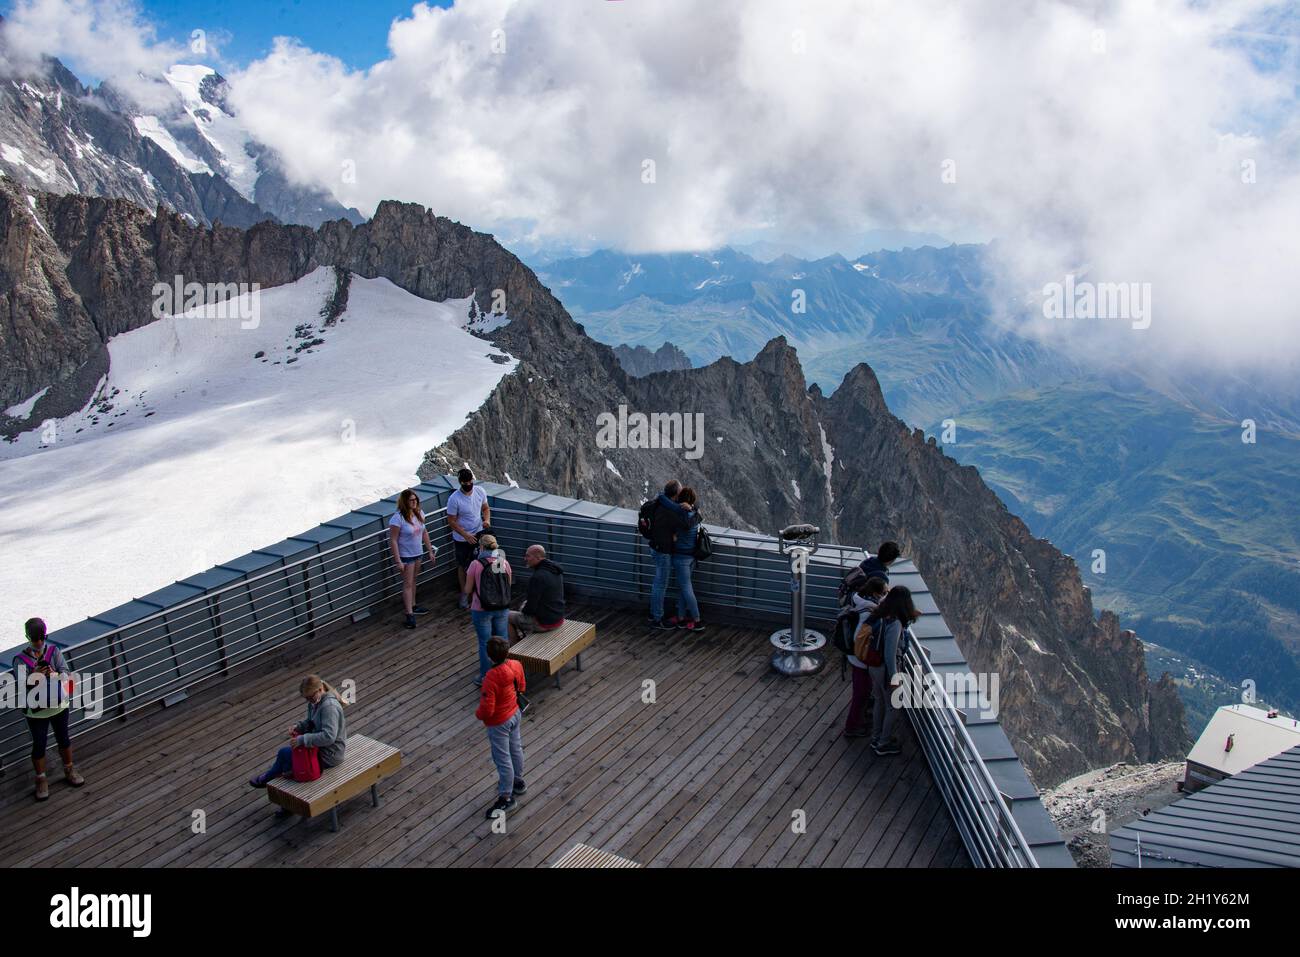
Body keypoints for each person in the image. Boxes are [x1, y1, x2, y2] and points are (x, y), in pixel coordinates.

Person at [13, 618, 84, 801]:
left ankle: (69, 769)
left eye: (40, 638)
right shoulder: (19, 660)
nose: (38, 643)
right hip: (36, 711)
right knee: (39, 744)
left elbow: (66, 673)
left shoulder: (54, 652)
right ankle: (41, 779)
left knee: (64, 739)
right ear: (28, 637)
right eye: (35, 639)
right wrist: (35, 674)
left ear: (44, 636)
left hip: (58, 705)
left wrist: (53, 673)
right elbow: (21, 686)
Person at [249, 675, 347, 799]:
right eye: (306, 698)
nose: (309, 701)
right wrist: (299, 726)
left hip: (330, 755)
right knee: (287, 766)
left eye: (311, 697)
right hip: (321, 749)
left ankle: (268, 779)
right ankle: (284, 801)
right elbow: (312, 721)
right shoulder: (316, 702)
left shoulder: (329, 707)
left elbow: (329, 737)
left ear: (320, 689)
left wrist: (302, 740)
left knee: (285, 755)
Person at [863, 586, 920, 756]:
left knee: (880, 701)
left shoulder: (881, 612)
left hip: (873, 665)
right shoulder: (895, 623)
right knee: (893, 706)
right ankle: (883, 743)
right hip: (885, 669)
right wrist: (894, 678)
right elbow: (889, 654)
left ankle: (875, 738)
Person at [476, 637, 526, 819]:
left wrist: (479, 714)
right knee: (516, 748)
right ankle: (518, 781)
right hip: (515, 713)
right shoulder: (516, 664)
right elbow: (521, 686)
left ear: (489, 656)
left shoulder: (491, 677)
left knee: (502, 758)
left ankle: (506, 797)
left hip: (499, 722)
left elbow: (487, 709)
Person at [465, 534, 513, 685]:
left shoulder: (476, 564)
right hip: (502, 607)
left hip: (481, 608)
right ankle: (504, 673)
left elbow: (467, 589)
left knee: (485, 642)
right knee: (502, 640)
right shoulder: (503, 562)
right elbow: (508, 585)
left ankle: (485, 677)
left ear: (481, 547)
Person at [844, 577, 889, 737]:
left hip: (855, 658)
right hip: (861, 661)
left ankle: (858, 722)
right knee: (861, 694)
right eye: (884, 592)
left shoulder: (858, 599)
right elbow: (860, 637)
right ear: (876, 593)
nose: (885, 595)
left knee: (861, 693)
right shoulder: (868, 612)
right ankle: (852, 728)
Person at [389, 488, 438, 630]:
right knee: (408, 584)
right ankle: (409, 614)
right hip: (406, 556)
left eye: (415, 499)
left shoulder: (419, 513)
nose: (414, 502)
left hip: (418, 553)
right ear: (405, 501)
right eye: (411, 500)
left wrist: (430, 550)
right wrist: (398, 560)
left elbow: (424, 532)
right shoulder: (398, 518)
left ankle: (413, 605)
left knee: (414, 580)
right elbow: (393, 540)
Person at [447, 468, 491, 609]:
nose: (468, 485)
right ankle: (464, 594)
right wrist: (465, 535)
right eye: (464, 483)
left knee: (479, 563)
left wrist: (487, 520)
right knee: (462, 565)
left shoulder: (480, 491)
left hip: (478, 533)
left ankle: (476, 593)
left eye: (469, 482)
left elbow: (485, 508)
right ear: (460, 483)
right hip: (462, 538)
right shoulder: (454, 499)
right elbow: (451, 521)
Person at [646, 479, 685, 630]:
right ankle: (657, 618)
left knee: (658, 583)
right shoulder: (670, 510)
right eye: (680, 490)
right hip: (662, 551)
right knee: (660, 584)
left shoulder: (660, 502)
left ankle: (653, 613)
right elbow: (685, 525)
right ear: (676, 494)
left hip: (655, 547)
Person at [507, 545, 565, 643]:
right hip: (558, 618)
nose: (525, 559)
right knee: (524, 604)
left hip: (544, 624)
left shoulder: (537, 577)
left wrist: (523, 611)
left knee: (505, 616)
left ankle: (514, 647)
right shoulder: (555, 570)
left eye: (528, 556)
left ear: (538, 557)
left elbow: (530, 608)